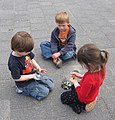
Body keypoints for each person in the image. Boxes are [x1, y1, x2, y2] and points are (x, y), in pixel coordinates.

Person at [60, 43, 109, 114]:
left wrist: (75, 82)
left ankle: (80, 106)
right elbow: (92, 80)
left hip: (85, 99)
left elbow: (81, 97)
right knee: (74, 87)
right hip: (93, 92)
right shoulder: (101, 65)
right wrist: (79, 75)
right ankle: (91, 99)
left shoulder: (89, 79)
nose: (83, 65)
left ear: (89, 65)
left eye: (83, 64)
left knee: (63, 97)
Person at [8, 31, 54, 100]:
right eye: (27, 51)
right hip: (24, 84)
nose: (29, 52)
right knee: (44, 92)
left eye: (29, 51)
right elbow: (17, 78)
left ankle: (37, 84)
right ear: (18, 50)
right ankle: (21, 90)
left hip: (33, 75)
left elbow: (31, 60)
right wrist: (32, 76)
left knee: (50, 85)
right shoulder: (14, 63)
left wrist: (38, 67)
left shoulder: (26, 51)